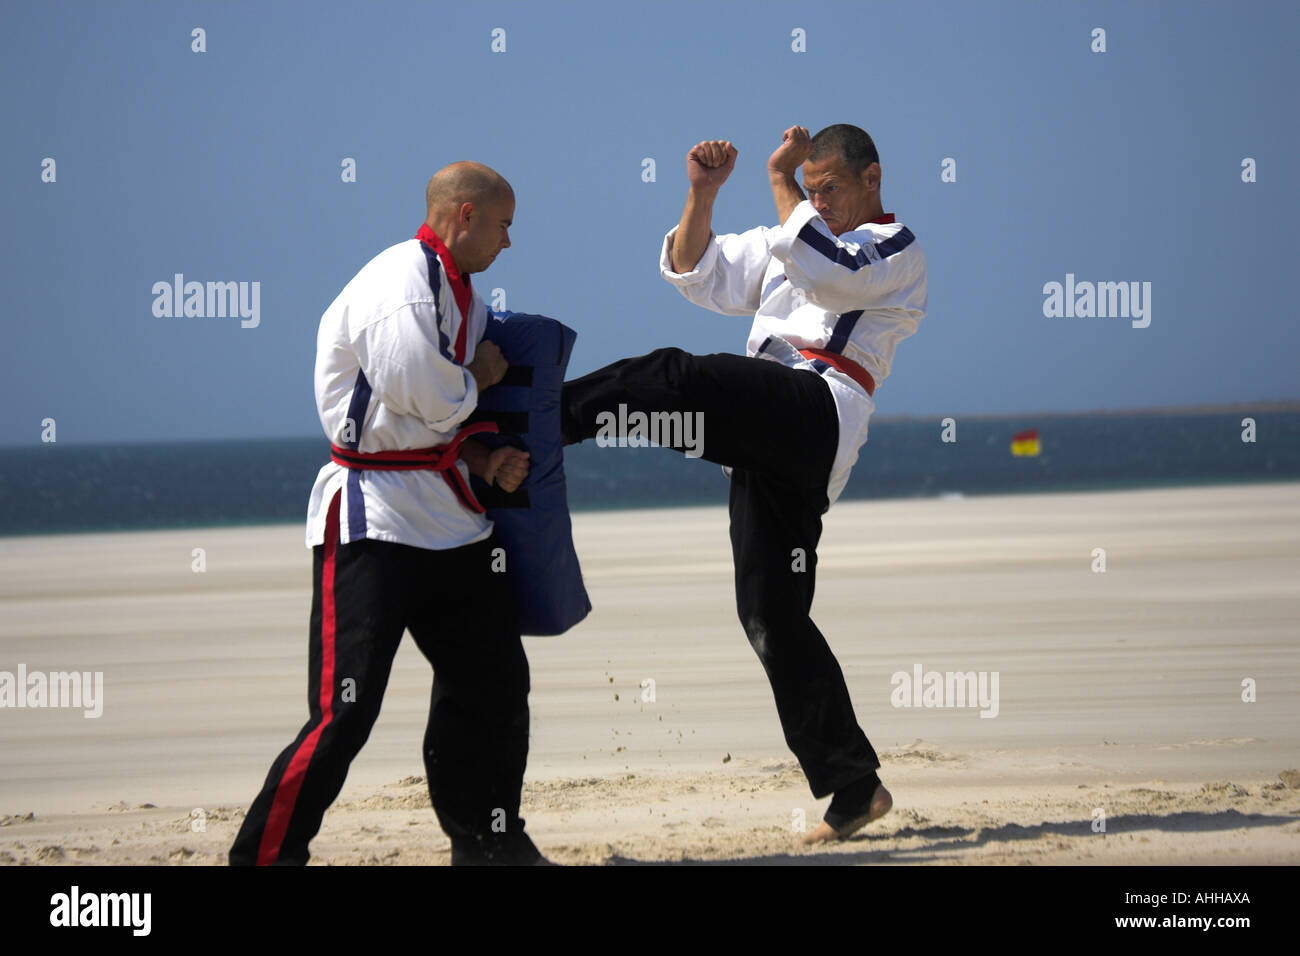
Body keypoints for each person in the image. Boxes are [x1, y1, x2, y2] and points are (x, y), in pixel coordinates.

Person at [561, 124, 927, 844]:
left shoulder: (895, 247)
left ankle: (542, 420)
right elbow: (699, 273)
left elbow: (830, 273)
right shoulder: (796, 231)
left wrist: (782, 182)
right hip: (768, 439)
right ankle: (854, 784)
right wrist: (702, 194)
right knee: (770, 614)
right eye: (809, 188)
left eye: (830, 189)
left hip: (816, 407)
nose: (816, 201)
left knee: (675, 376)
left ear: (872, 178)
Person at [229, 162, 549, 866]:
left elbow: (434, 425)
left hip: (449, 519)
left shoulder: (467, 298)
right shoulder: (397, 285)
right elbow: (425, 393)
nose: (508, 243)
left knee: (492, 681)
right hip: (372, 520)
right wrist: (484, 378)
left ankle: (486, 839)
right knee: (347, 708)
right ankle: (263, 858)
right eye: (502, 226)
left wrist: (482, 459)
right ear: (464, 215)